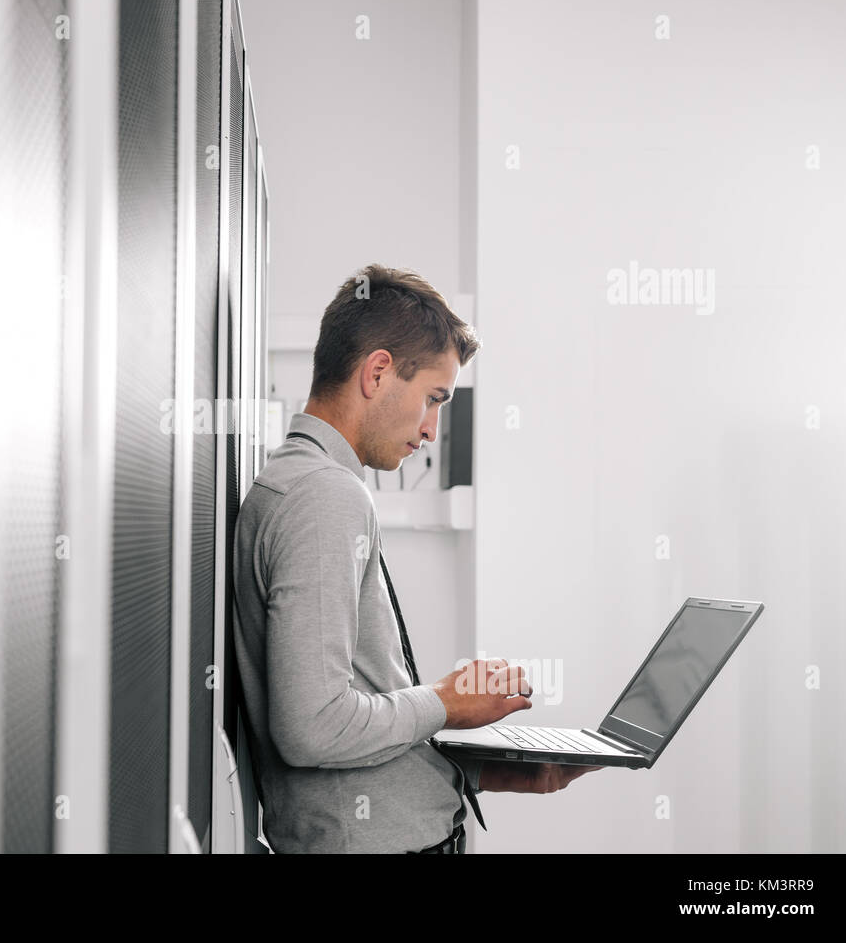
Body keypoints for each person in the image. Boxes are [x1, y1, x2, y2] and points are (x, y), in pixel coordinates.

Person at [231, 264, 598, 853]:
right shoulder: (323, 496)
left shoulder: (303, 484)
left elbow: (351, 712)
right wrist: (446, 703)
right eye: (433, 398)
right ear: (377, 372)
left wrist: (493, 771)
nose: (432, 430)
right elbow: (312, 728)